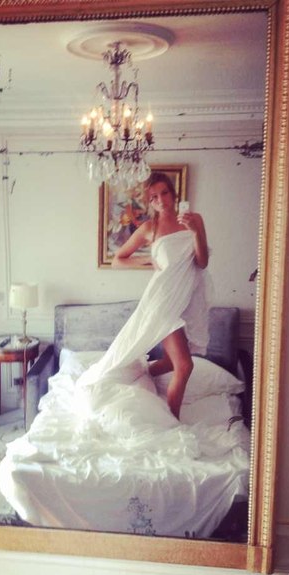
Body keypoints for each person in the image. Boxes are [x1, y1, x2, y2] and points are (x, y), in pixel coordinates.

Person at [109, 171, 210, 419]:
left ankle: (141, 377)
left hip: (187, 299)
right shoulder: (149, 228)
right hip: (162, 301)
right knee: (185, 366)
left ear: (173, 194)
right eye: (153, 197)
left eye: (164, 193)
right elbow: (117, 260)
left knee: (171, 362)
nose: (160, 200)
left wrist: (195, 232)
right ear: (149, 202)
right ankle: (172, 421)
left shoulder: (194, 219)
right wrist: (146, 261)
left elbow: (202, 262)